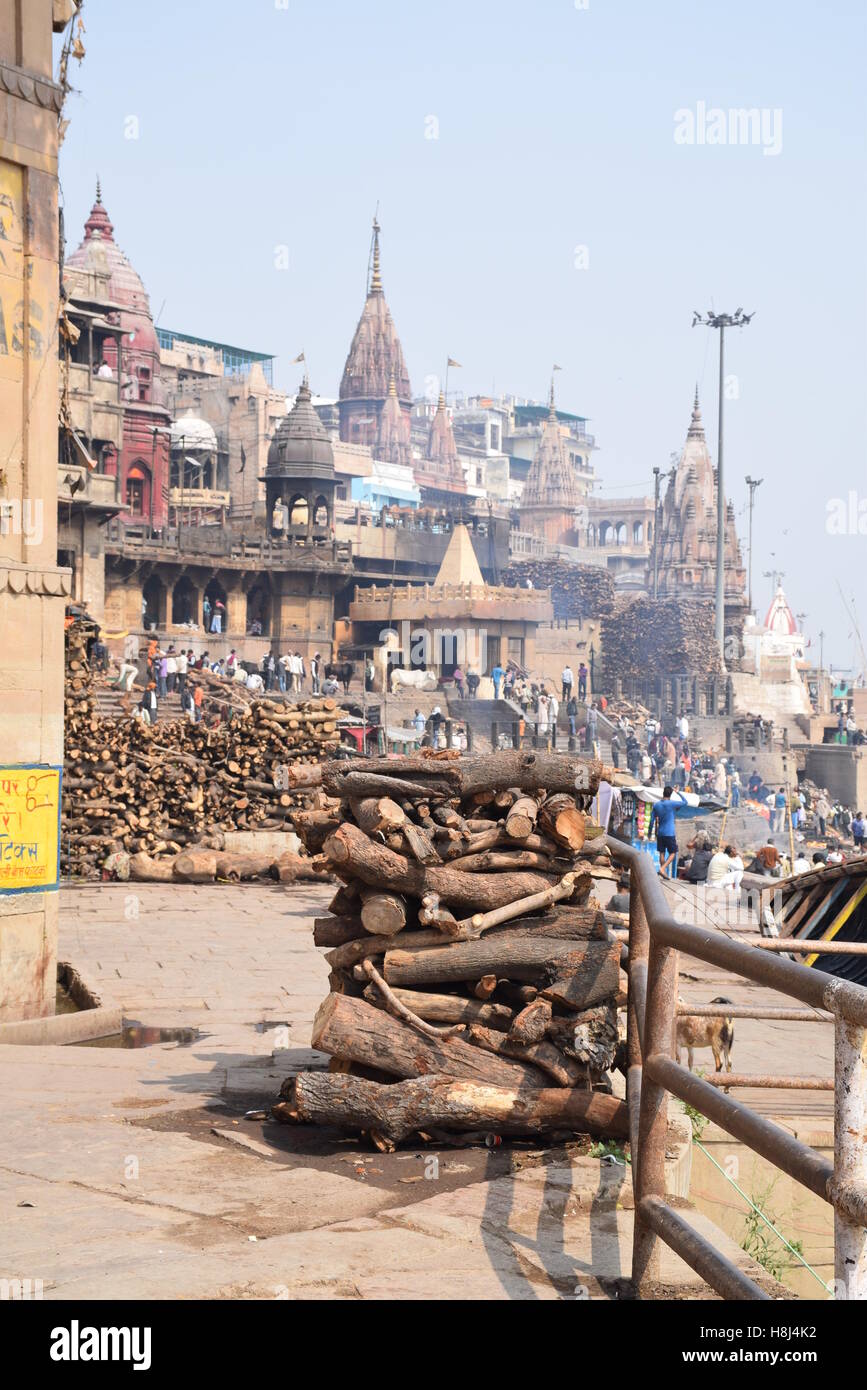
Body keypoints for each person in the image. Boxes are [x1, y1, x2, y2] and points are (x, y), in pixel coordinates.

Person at [649, 785, 686, 877]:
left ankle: (663, 872)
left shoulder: (656, 805)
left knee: (662, 853)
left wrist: (649, 833)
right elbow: (685, 802)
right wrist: (678, 792)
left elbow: (651, 821)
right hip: (669, 833)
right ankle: (662, 869)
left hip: (660, 833)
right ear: (671, 794)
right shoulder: (672, 804)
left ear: (663, 793)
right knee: (673, 853)